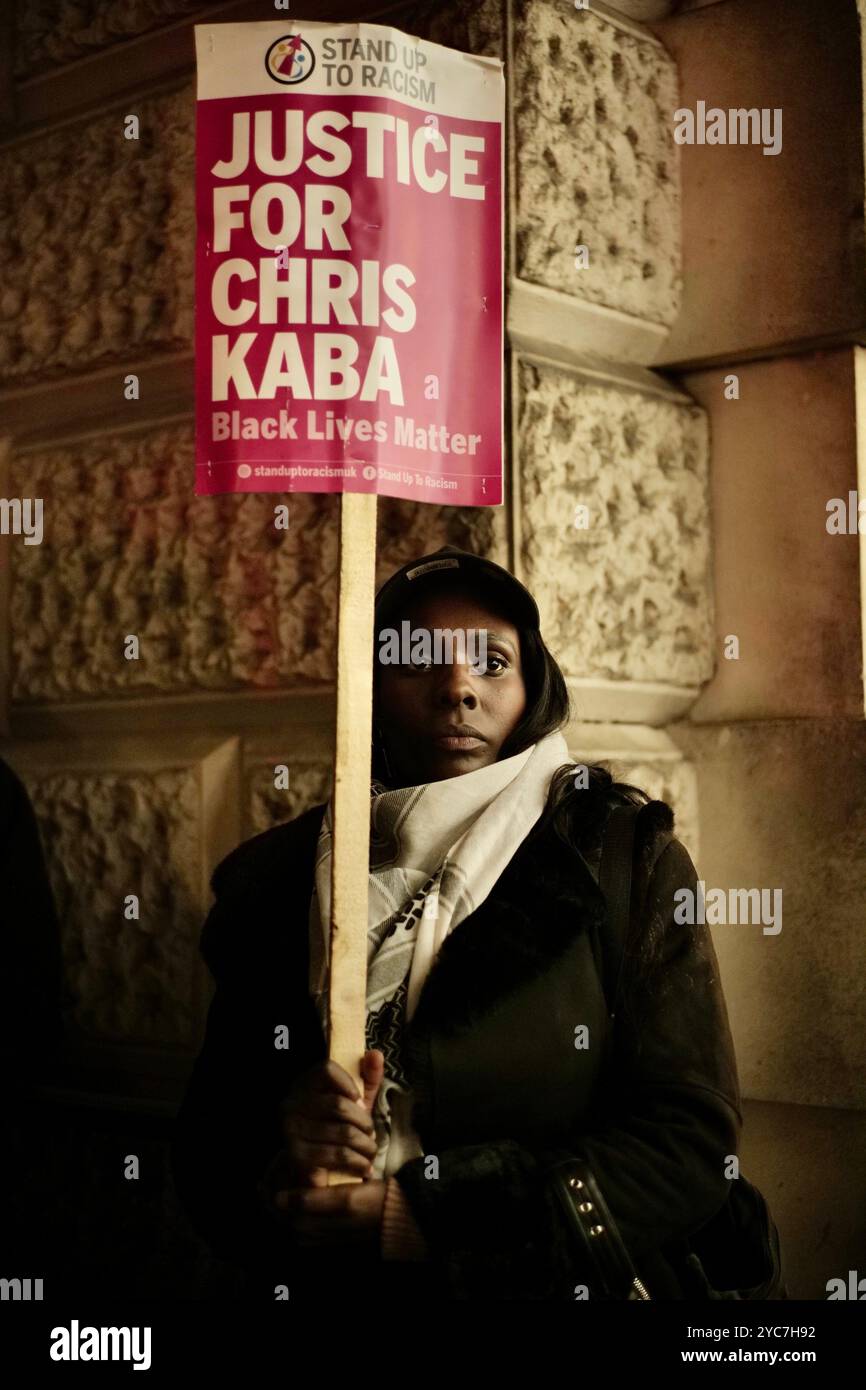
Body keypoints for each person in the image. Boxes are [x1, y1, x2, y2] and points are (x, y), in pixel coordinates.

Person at [170, 545, 743, 1301]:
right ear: (368, 687)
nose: (458, 690)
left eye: (492, 662)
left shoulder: (618, 857)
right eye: (416, 661)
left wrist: (423, 1218)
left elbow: (691, 1146)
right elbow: (208, 1157)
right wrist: (287, 1151)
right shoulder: (279, 881)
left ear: (533, 684)